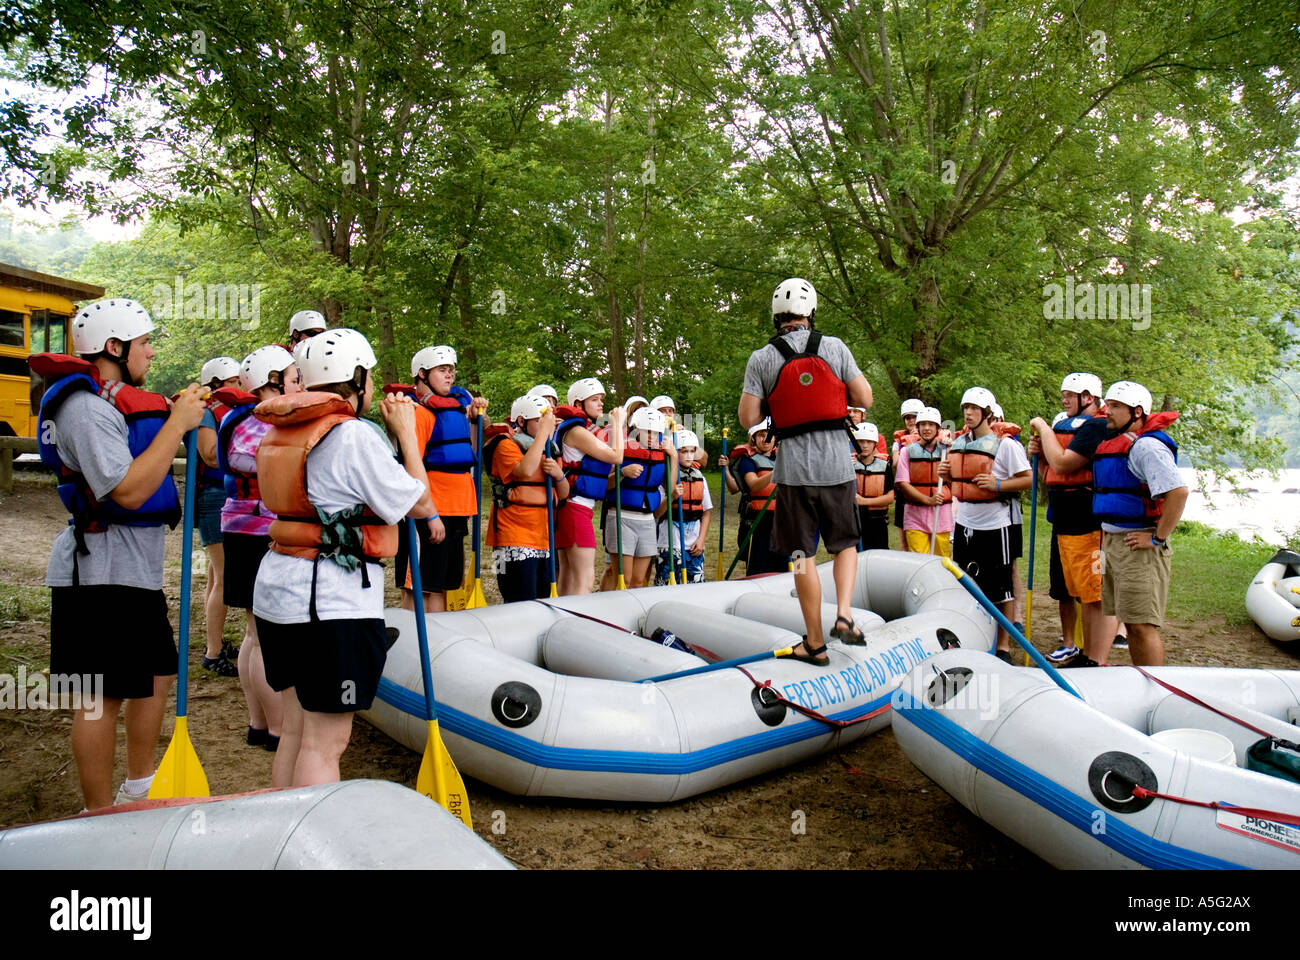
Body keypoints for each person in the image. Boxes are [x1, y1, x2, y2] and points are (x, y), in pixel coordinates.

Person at [33, 298, 206, 809]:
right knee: (100, 696)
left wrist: (178, 420)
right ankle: (98, 811)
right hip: (97, 574)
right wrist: (176, 426)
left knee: (154, 677)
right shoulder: (84, 409)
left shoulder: (108, 404)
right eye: (145, 342)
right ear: (115, 347)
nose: (151, 353)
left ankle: (138, 787)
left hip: (133, 573)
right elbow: (126, 491)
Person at [253, 328, 436, 787]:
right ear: (355, 378)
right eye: (369, 377)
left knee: (296, 730)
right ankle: (312, 851)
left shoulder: (283, 427)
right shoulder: (353, 435)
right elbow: (419, 505)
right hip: (329, 605)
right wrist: (408, 437)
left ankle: (281, 841)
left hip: (278, 594)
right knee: (326, 742)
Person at [739, 278, 873, 665]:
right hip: (836, 468)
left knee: (801, 555)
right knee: (845, 544)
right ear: (810, 312)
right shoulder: (834, 347)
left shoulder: (762, 357)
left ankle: (814, 642)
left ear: (776, 316)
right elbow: (864, 398)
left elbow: (749, 417)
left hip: (792, 474)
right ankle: (844, 614)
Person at [219, 345, 302, 751]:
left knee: (254, 633)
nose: (299, 381)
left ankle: (259, 723)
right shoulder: (259, 422)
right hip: (256, 532)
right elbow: (250, 458)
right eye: (292, 376)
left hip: (243, 527)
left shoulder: (252, 418)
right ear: (273, 381)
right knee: (264, 635)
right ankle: (276, 728)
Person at [1088, 380, 1186, 666]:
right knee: (1130, 622)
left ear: (1138, 412)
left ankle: (1155, 688)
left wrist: (1157, 537)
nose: (1108, 411)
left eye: (1116, 406)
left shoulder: (1147, 447)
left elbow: (1178, 492)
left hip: (1139, 545)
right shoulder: (1115, 443)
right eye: (1108, 405)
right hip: (1114, 541)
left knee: (1142, 625)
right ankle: (1143, 680)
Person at [1027, 373, 1117, 666]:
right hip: (1065, 523)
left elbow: (1064, 463)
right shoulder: (1070, 427)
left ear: (1088, 398)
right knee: (1081, 593)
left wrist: (1042, 427)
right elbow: (1052, 476)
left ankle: (1095, 658)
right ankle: (1086, 653)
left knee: (1094, 593)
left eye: (1070, 394)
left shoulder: (1097, 426)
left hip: (1088, 523)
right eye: (1063, 394)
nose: (1064, 399)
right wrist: (1039, 456)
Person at [939, 387, 1032, 662]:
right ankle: (974, 637)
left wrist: (1000, 484)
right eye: (965, 408)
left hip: (996, 524)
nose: (968, 413)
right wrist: (946, 475)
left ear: (987, 414)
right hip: (964, 523)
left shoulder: (1006, 445)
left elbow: (1028, 479)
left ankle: (1003, 645)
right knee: (967, 585)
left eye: (974, 409)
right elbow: (957, 484)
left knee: (1000, 589)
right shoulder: (957, 445)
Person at [395, 345, 489, 613]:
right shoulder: (419, 413)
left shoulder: (458, 411)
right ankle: (420, 647)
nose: (450, 375)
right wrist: (429, 514)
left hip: (458, 507)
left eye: (451, 370)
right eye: (442, 370)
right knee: (423, 588)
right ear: (422, 374)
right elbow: (412, 467)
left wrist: (475, 419)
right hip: (431, 509)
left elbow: (471, 453)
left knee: (445, 586)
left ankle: (440, 644)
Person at [484, 396, 568, 602]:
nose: (545, 427)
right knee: (519, 598)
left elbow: (564, 494)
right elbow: (525, 470)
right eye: (539, 422)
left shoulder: (551, 450)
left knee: (541, 598)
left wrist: (559, 475)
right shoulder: (505, 445)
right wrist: (544, 434)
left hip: (543, 537)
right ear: (521, 422)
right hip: (511, 536)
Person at [554, 378, 625, 594]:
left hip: (573, 508)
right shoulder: (577, 432)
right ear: (578, 404)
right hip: (575, 508)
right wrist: (618, 425)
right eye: (594, 399)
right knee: (584, 579)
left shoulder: (580, 429)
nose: (600, 404)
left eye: (601, 399)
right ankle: (576, 622)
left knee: (568, 574)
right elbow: (616, 456)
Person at [194, 356, 241, 677]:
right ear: (217, 385)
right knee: (224, 578)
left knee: (216, 577)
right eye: (234, 382)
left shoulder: (225, 412)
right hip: (213, 500)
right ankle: (212, 653)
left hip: (223, 498)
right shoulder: (208, 413)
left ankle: (216, 641)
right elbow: (210, 456)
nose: (240, 387)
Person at [605, 406, 676, 589]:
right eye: (647, 431)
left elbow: (671, 487)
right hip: (622, 518)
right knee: (624, 579)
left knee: (638, 581)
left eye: (656, 432)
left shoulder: (663, 453)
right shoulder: (622, 448)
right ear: (636, 429)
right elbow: (604, 485)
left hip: (647, 521)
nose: (652, 436)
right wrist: (622, 472)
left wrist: (674, 456)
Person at [656, 428, 712, 583]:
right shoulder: (665, 478)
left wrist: (701, 539)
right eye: (683, 451)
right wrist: (672, 497)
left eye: (691, 451)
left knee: (695, 586)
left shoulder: (700, 478)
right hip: (669, 543)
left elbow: (706, 512)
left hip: (693, 544)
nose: (688, 456)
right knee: (667, 584)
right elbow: (657, 513)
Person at [895, 406, 953, 556]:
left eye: (931, 424)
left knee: (942, 561)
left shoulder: (947, 451)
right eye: (923, 424)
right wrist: (927, 500)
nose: (927, 428)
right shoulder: (906, 451)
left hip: (941, 516)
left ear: (937, 428)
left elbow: (957, 481)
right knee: (919, 561)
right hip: (915, 517)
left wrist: (951, 448)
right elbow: (902, 483)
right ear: (918, 428)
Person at [734, 419, 785, 574]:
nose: (766, 439)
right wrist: (776, 472)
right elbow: (754, 484)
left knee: (781, 564)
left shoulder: (782, 458)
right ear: (754, 439)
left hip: (781, 519)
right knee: (760, 566)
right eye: (761, 435)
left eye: (770, 435)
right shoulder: (748, 461)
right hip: (758, 520)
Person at [852, 421, 894, 550]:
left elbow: (890, 497)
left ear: (875, 444)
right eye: (861, 441)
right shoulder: (848, 464)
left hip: (877, 522)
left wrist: (864, 501)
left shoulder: (884, 466)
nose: (865, 446)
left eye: (869, 442)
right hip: (854, 522)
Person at [891, 398, 924, 549]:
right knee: (904, 539)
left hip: (923, 488)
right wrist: (910, 443)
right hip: (905, 492)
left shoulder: (932, 438)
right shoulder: (898, 442)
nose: (911, 421)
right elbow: (896, 463)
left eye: (914, 417)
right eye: (908, 418)